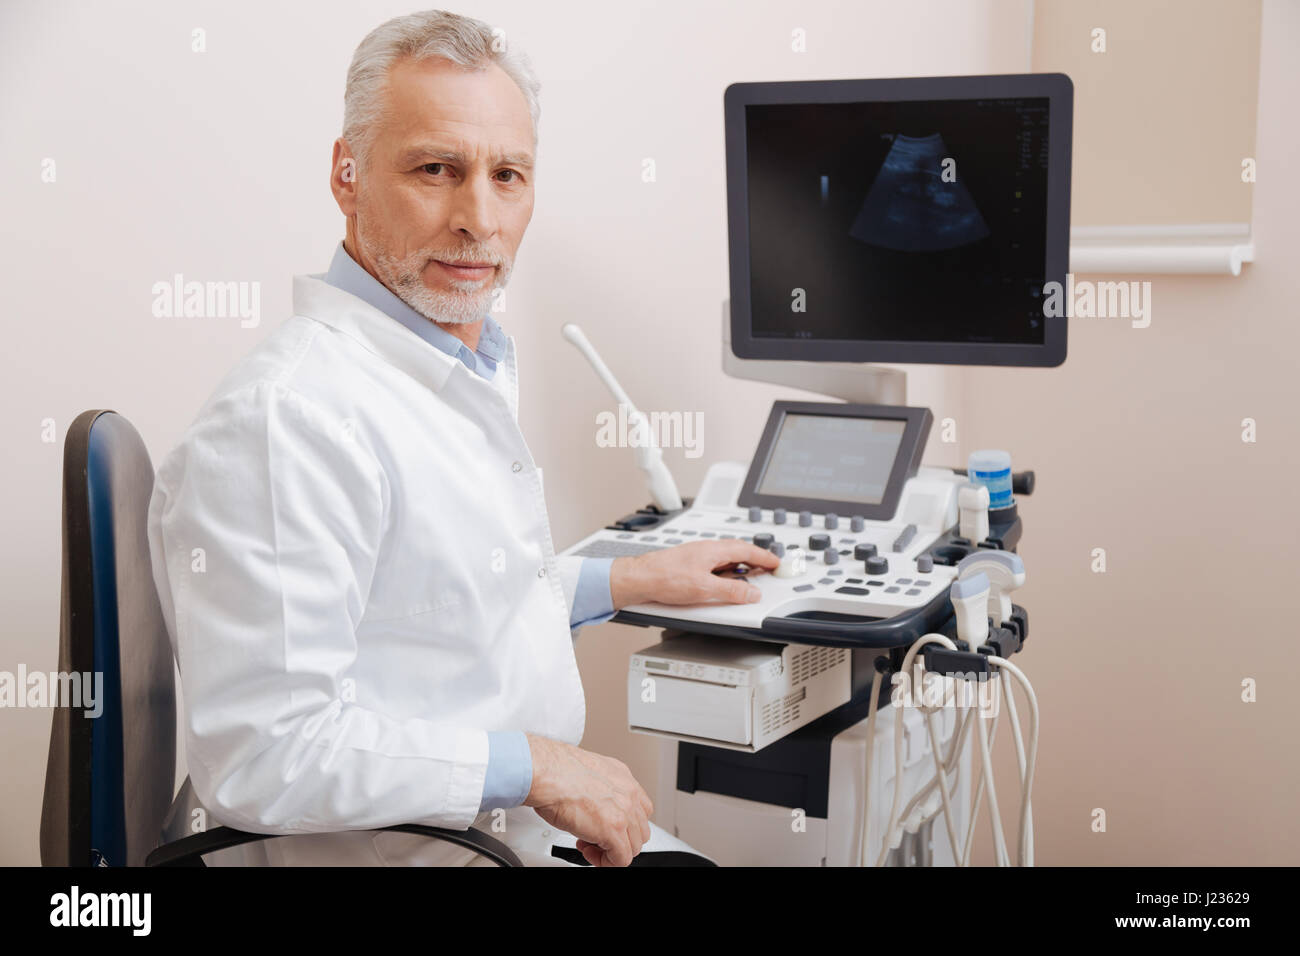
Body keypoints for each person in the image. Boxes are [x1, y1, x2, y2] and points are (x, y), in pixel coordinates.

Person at [147, 8, 778, 867]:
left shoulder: (441, 361)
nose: (479, 218)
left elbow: (435, 601)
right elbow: (264, 756)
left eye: (508, 175)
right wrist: (535, 766)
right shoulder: (285, 422)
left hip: (504, 835)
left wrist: (623, 579)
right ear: (346, 173)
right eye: (436, 169)